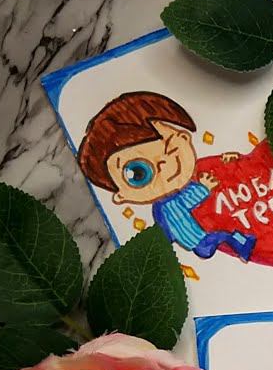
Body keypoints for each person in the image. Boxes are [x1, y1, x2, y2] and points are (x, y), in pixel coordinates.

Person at [77, 91, 256, 261]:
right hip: (198, 239)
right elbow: (182, 206)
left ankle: (243, 243)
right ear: (121, 195)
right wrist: (202, 188)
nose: (163, 164)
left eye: (172, 149)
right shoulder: (165, 205)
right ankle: (244, 244)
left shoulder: (168, 202)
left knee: (221, 237)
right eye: (139, 173)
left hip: (198, 238)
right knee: (221, 237)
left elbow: (168, 226)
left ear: (184, 138)